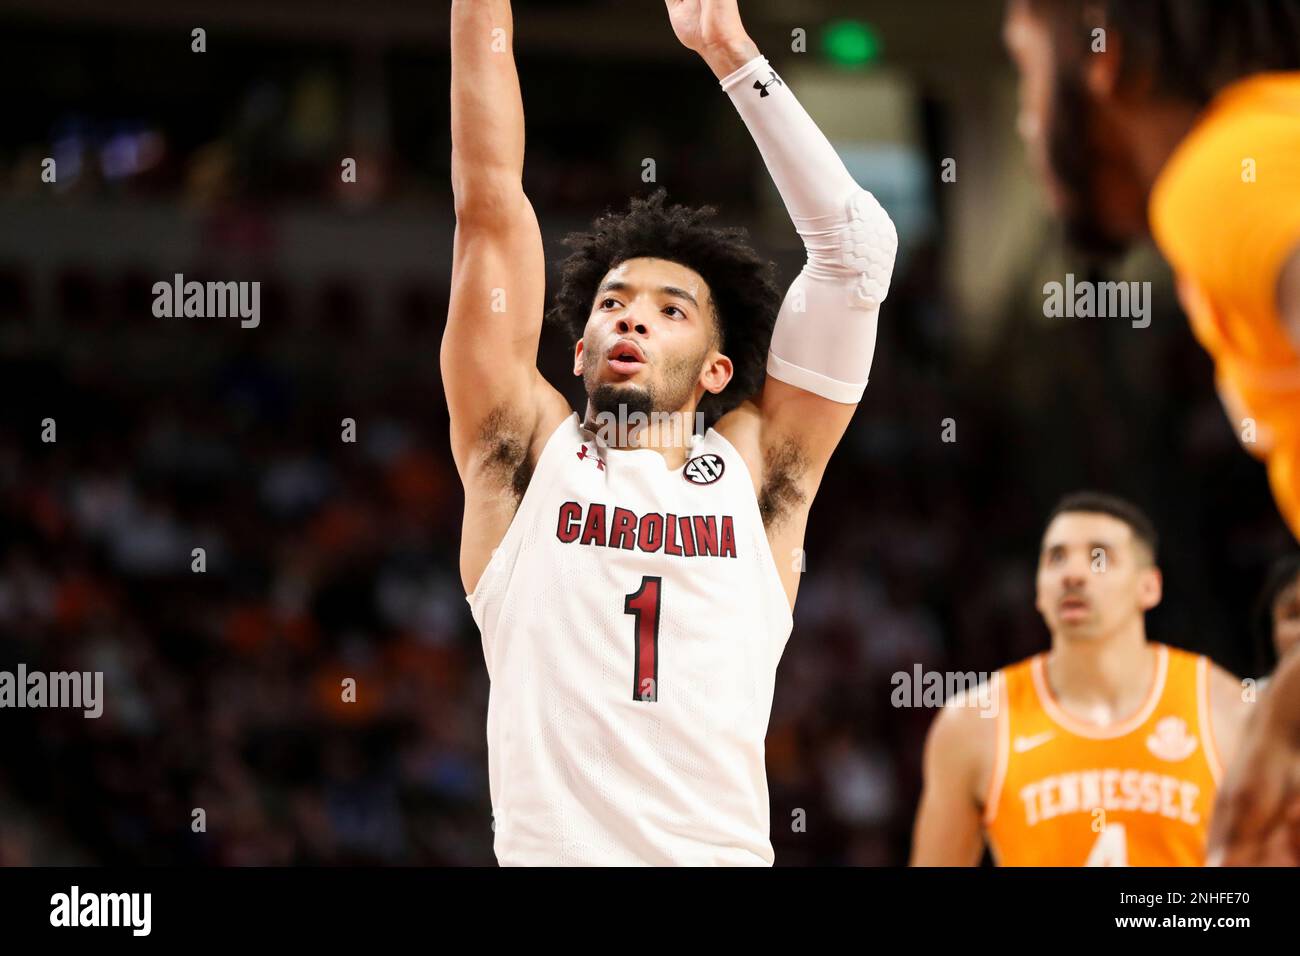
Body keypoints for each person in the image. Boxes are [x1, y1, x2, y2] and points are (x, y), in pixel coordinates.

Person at [443, 0, 896, 864]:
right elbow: (490, 202)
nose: (631, 319)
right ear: (577, 352)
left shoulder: (762, 477)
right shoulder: (523, 455)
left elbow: (857, 253)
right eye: (612, 304)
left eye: (669, 309)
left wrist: (728, 50)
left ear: (718, 371)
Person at [911, 492, 1249, 865]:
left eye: (1098, 558)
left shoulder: (1227, 709)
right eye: (1056, 558)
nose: (1072, 574)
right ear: (1038, 591)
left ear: (1149, 587)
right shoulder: (973, 724)